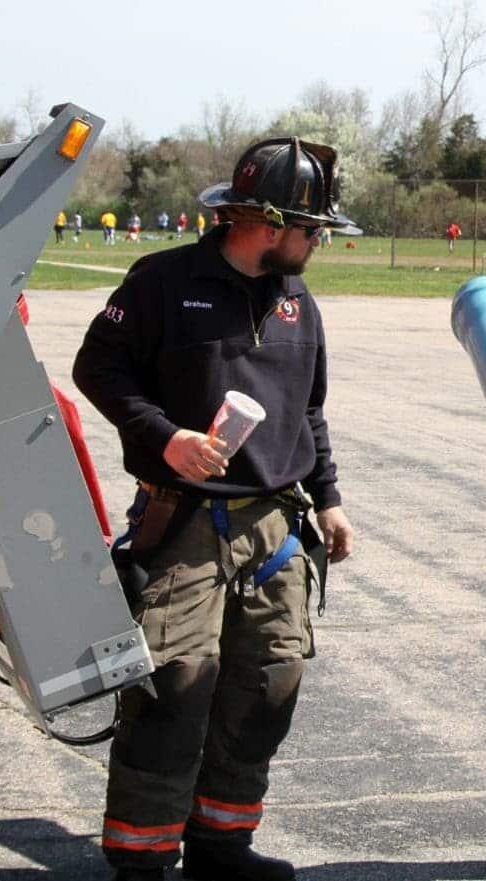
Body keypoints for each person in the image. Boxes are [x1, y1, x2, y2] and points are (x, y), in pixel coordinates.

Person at [73, 137, 358, 881]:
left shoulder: (298, 302)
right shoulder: (163, 282)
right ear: (263, 223)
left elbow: (311, 411)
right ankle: (141, 854)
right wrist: (167, 441)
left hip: (276, 527)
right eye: (311, 228)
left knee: (270, 681)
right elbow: (96, 366)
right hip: (185, 523)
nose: (318, 240)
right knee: (174, 682)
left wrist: (329, 500)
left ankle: (222, 843)